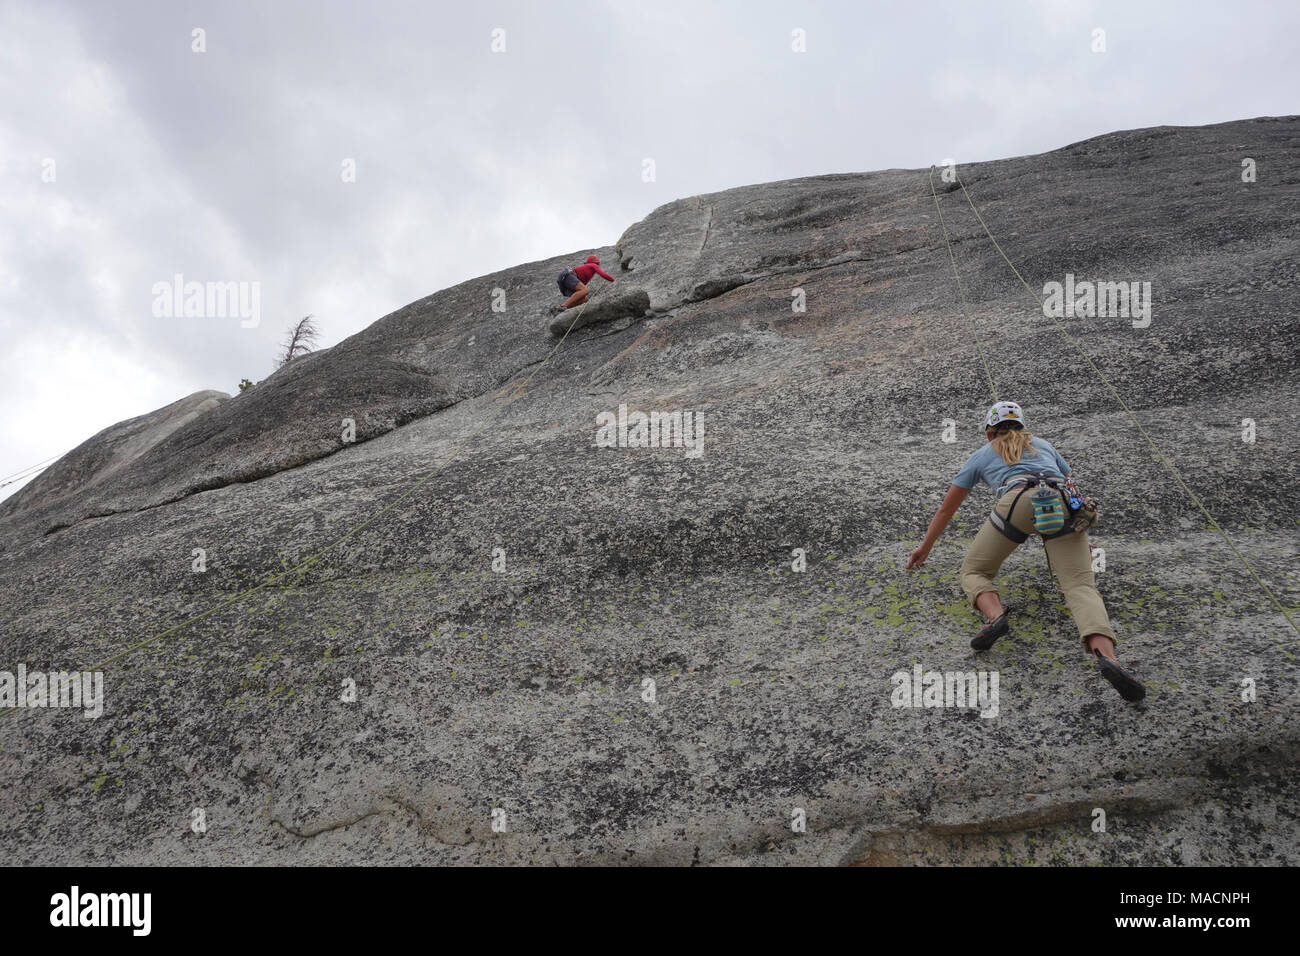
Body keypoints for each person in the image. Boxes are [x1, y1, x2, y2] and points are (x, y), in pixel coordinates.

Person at [905, 401, 1145, 702]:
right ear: (1022, 426)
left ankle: (996, 617)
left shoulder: (982, 454)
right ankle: (1109, 659)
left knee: (974, 571)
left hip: (1017, 501)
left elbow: (946, 509)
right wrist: (1081, 536)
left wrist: (924, 548)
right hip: (1060, 503)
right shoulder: (1044, 445)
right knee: (1080, 586)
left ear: (989, 432)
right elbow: (1072, 486)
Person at [550, 255, 614, 315]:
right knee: (585, 290)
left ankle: (558, 309)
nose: (599, 265)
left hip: (564, 283)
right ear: (595, 262)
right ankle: (564, 306)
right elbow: (603, 274)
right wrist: (613, 280)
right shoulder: (593, 265)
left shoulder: (587, 268)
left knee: (584, 300)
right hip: (568, 276)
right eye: (598, 263)